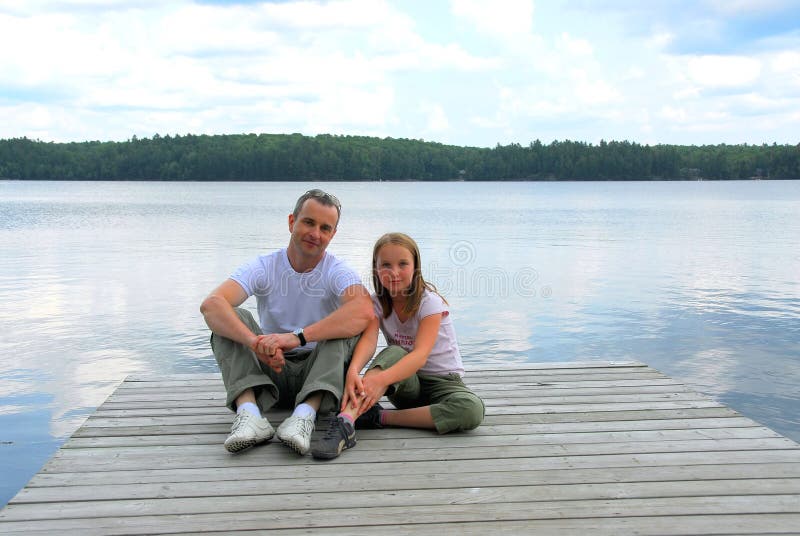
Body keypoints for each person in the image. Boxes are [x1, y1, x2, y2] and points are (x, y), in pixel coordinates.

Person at [200, 189, 373, 456]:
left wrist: (297, 337)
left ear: (333, 234)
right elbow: (211, 304)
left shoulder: (337, 270)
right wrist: (254, 343)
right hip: (271, 369)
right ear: (292, 222)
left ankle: (304, 416)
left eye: (325, 228)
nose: (315, 233)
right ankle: (249, 414)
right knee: (228, 319)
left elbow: (364, 310)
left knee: (342, 328)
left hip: (317, 375)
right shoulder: (264, 266)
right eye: (309, 222)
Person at [313, 232, 484, 459]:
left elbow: (420, 355)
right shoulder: (376, 303)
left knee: (472, 409)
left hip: (444, 384)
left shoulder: (429, 303)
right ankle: (345, 422)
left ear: (415, 267)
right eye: (386, 265)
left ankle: (380, 417)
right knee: (395, 352)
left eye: (403, 264)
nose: (394, 272)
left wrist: (381, 380)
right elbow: (369, 341)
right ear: (376, 269)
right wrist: (354, 370)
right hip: (405, 385)